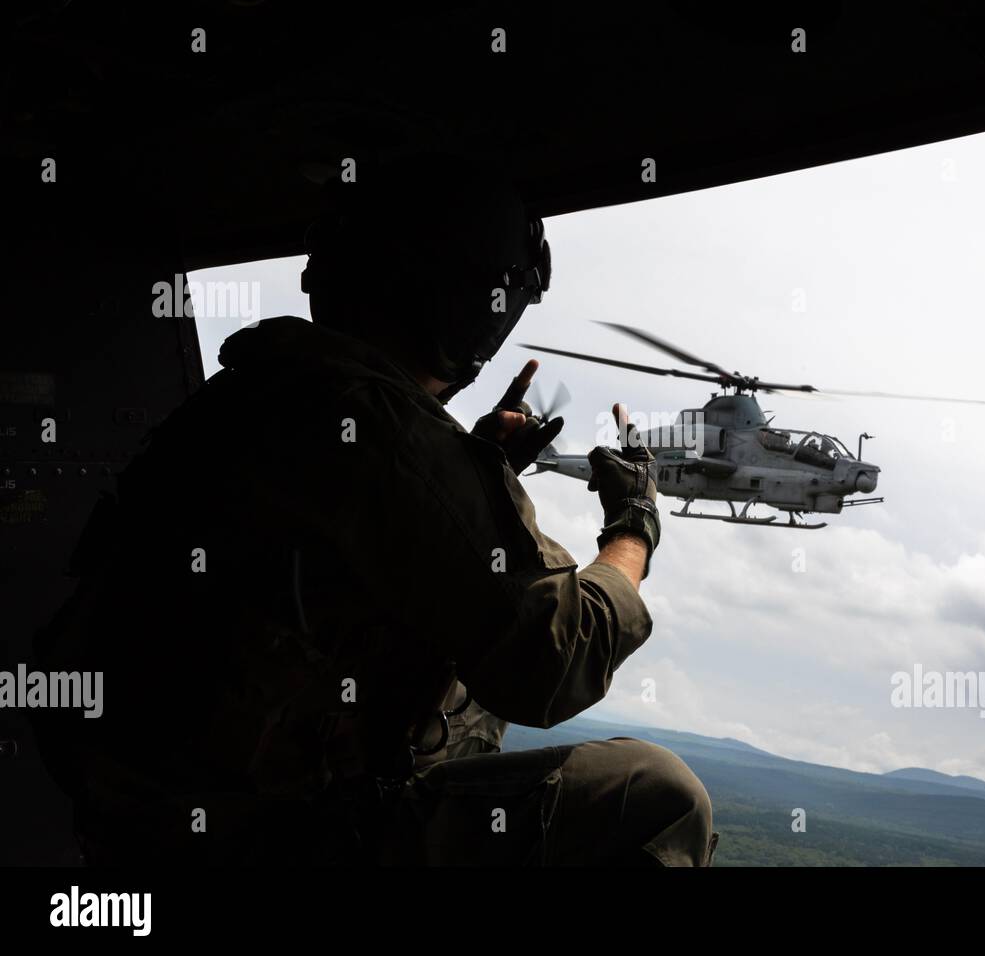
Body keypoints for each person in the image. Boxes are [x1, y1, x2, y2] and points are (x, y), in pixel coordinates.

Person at [33, 156, 716, 866]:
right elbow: (553, 661)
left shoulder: (257, 391)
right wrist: (633, 523)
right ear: (478, 299)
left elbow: (332, 549)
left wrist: (480, 467)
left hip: (134, 823)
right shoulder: (381, 431)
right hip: (262, 840)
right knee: (655, 795)